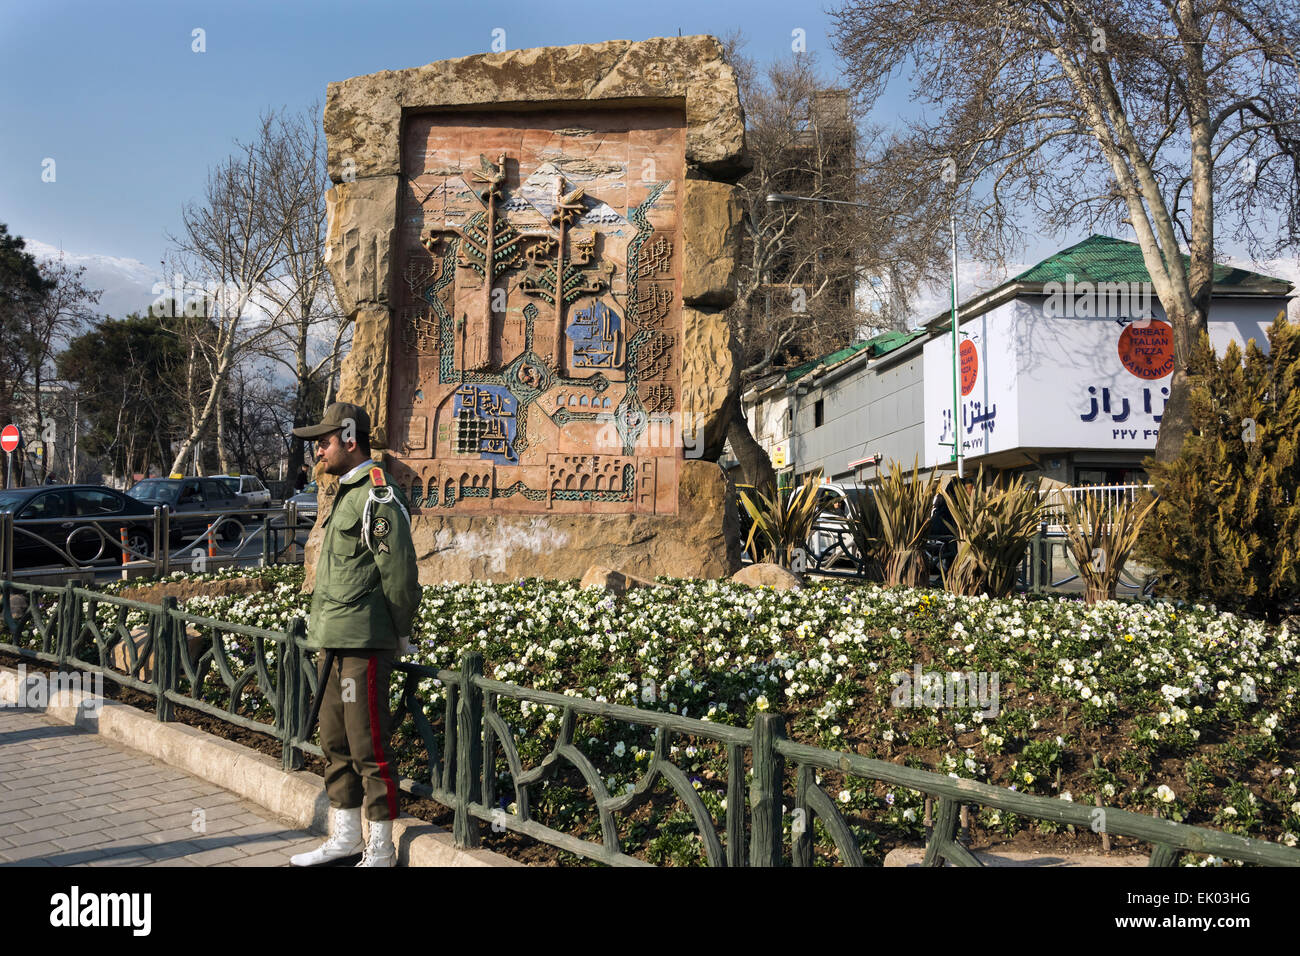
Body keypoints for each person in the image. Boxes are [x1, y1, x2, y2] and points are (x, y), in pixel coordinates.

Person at [288, 402, 421, 868]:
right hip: (335, 640)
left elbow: (399, 575)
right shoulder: (346, 493)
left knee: (369, 747)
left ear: (349, 438)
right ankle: (346, 837)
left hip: (365, 643)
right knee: (335, 742)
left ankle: (380, 848)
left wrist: (400, 633)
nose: (317, 450)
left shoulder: (377, 496)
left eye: (323, 441)